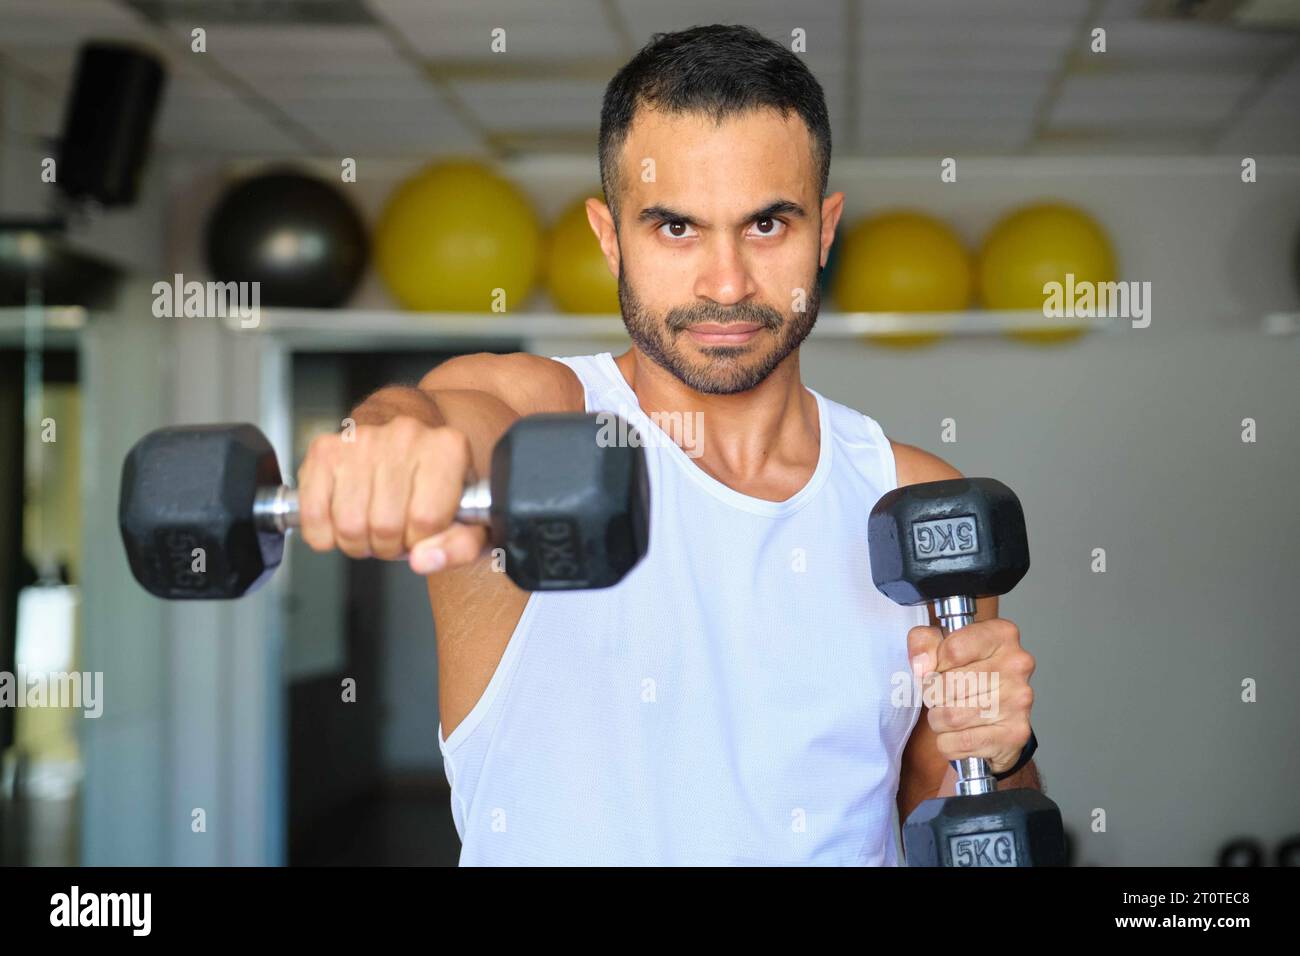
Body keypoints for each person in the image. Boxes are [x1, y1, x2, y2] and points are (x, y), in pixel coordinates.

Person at [296, 24, 1042, 865]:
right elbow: (452, 411)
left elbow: (966, 822)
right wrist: (394, 441)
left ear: (824, 231)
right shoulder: (548, 433)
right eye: (676, 229)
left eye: (767, 224)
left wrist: (1003, 751)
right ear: (609, 236)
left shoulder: (909, 500)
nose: (726, 283)